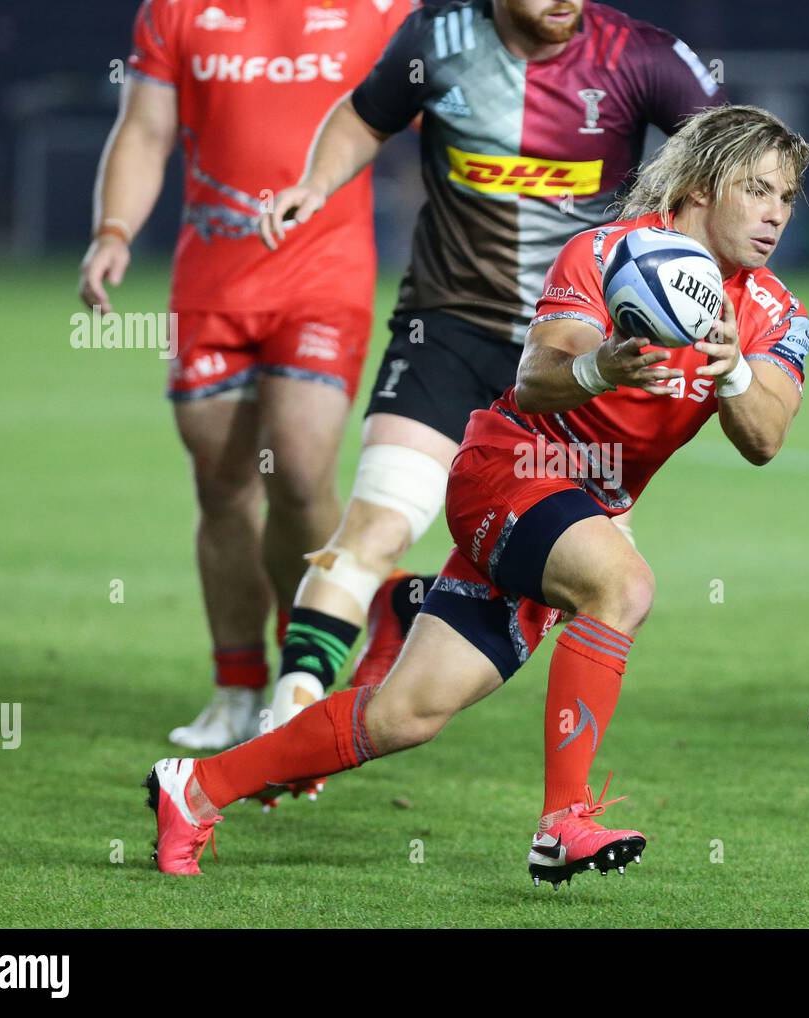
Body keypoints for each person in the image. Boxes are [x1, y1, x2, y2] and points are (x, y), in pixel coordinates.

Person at [144, 104, 809, 881]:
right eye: (758, 190)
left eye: (786, 198)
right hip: (514, 468)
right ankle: (564, 823)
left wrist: (732, 366)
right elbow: (535, 380)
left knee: (405, 715)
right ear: (700, 184)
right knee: (622, 585)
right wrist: (603, 367)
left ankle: (194, 788)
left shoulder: (774, 311)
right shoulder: (602, 255)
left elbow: (764, 438)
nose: (775, 215)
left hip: (580, 511)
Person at [254, 0, 726, 771]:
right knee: (376, 528)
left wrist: (699, 276)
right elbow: (362, 117)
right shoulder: (436, 39)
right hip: (448, 331)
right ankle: (287, 717)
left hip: (574, 354)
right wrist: (314, 183)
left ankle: (424, 645)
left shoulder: (641, 55)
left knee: (599, 585)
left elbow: (727, 159)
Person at [79, 0, 411, 750]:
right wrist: (112, 231)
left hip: (323, 276)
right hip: (214, 281)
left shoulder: (382, 11)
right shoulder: (178, 10)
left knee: (298, 469)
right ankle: (236, 685)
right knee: (222, 481)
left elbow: (439, 114)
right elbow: (145, 128)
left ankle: (307, 676)